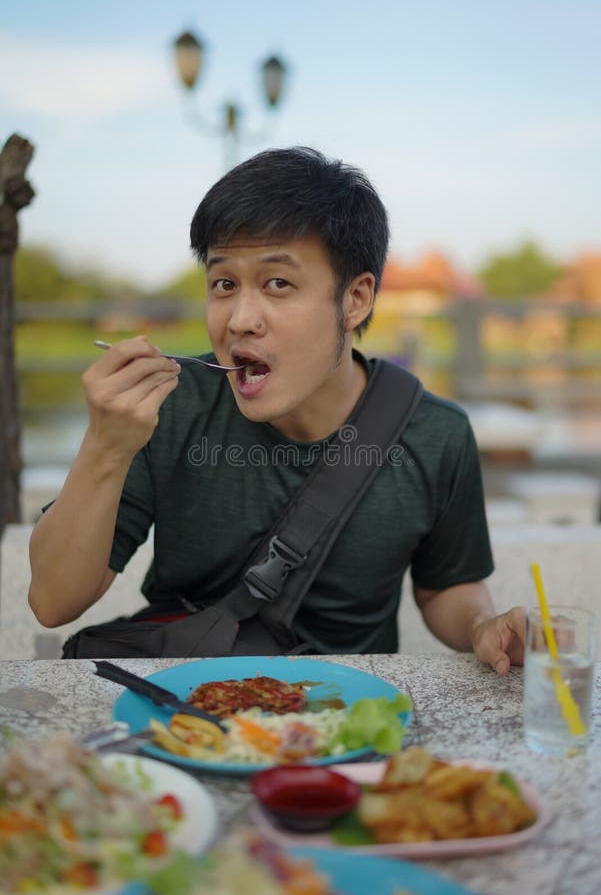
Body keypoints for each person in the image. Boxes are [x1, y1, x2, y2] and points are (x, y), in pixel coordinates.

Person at [29, 146, 525, 673]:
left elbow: (446, 586)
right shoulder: (169, 407)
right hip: (186, 696)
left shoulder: (435, 434)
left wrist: (481, 626)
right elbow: (53, 602)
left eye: (278, 284)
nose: (240, 319)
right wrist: (105, 446)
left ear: (355, 299)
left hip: (349, 705)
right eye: (224, 284)